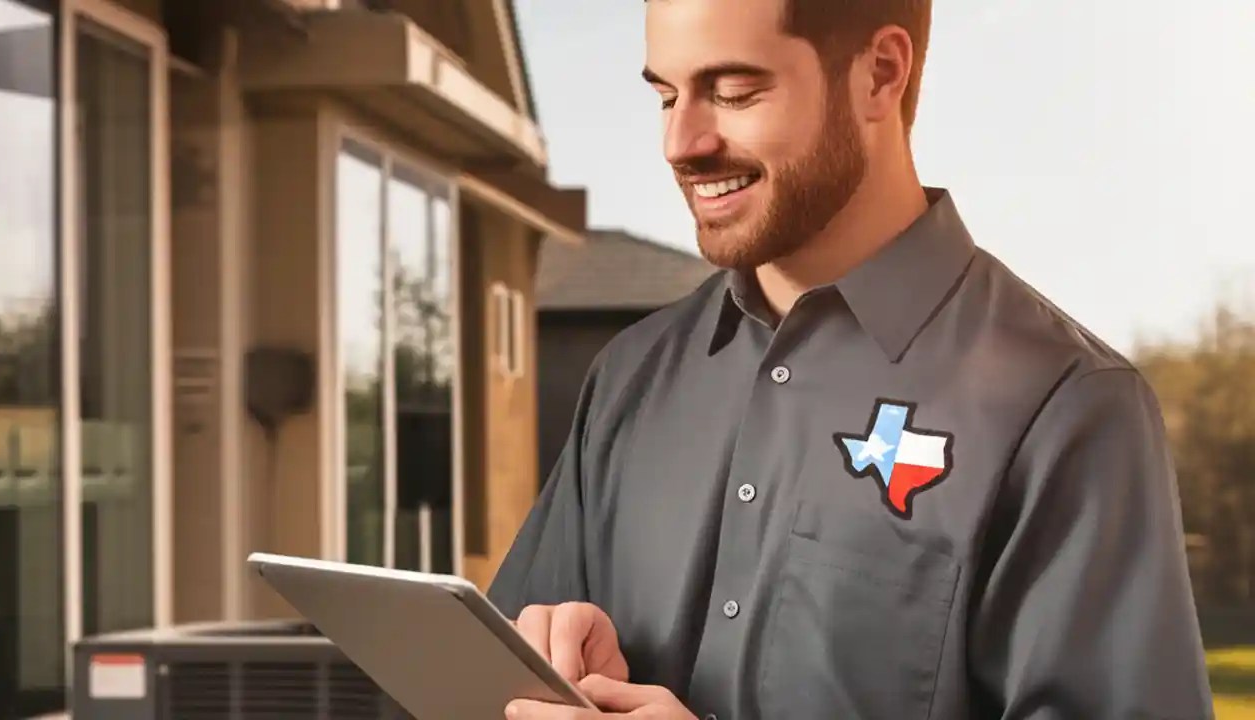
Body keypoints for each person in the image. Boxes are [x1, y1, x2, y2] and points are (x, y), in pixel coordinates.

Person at [489, 0, 1214, 717]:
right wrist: (548, 669)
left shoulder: (1066, 409)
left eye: (734, 93)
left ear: (880, 74)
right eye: (666, 97)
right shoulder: (629, 378)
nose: (681, 142)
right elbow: (483, 684)